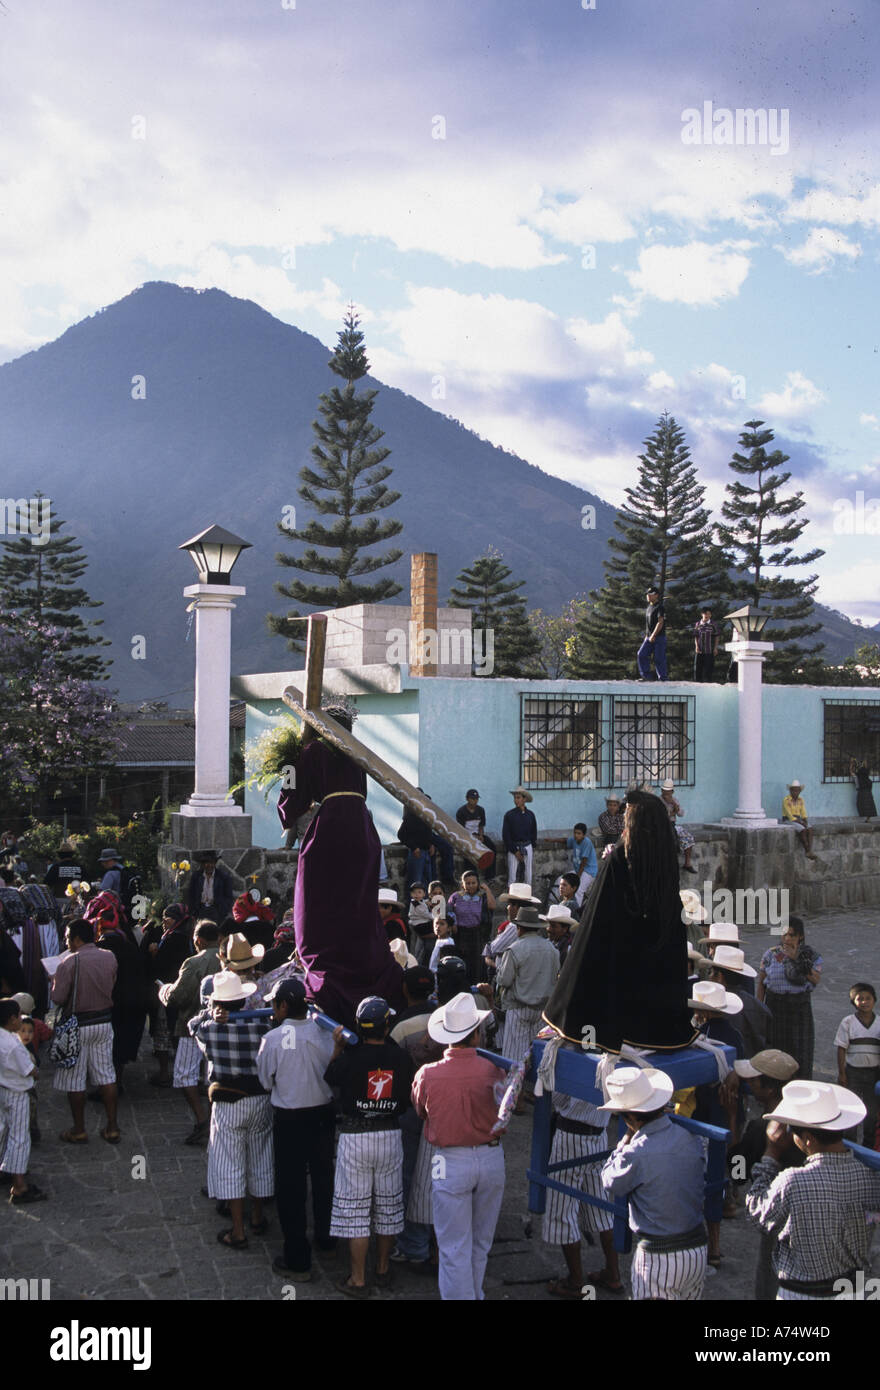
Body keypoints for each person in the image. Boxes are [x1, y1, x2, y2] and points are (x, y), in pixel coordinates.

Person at [278, 705, 404, 1028]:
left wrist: (288, 764)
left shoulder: (314, 751)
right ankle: (361, 955)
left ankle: (326, 957)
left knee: (319, 898)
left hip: (331, 829)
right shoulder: (357, 753)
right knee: (357, 901)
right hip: (363, 832)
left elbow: (292, 799)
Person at [544, 790, 695, 1052]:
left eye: (628, 815)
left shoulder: (619, 859)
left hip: (621, 956)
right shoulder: (666, 861)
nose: (625, 821)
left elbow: (597, 920)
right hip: (656, 966)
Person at [411, 991, 507, 1301]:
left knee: (453, 1247)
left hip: (450, 1161)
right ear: (476, 1034)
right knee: (480, 1243)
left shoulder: (428, 1074)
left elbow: (422, 1112)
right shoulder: (495, 1070)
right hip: (491, 1157)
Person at [746, 1078, 880, 1300]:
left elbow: (757, 1213)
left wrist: (770, 1154)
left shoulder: (792, 1182)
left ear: (807, 1139)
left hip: (801, 1293)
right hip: (852, 1291)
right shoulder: (870, 1179)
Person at [324, 995, 414, 1297]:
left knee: (356, 1211)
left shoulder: (351, 1057)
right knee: (388, 1205)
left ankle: (358, 1279)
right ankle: (383, 1268)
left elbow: (330, 1078)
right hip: (389, 1134)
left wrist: (337, 1048)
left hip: (354, 1136)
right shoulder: (400, 1058)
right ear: (386, 1026)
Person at [600, 1065, 707, 1300]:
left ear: (630, 1117)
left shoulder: (636, 1153)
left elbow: (610, 1181)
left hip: (660, 1258)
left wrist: (624, 1143)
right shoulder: (690, 1138)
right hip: (698, 1250)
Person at [256, 977, 337, 1281]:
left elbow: (265, 1081)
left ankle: (298, 1259)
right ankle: (327, 1241)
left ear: (283, 1005)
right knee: (323, 1178)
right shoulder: (324, 1033)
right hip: (322, 1115)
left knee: (291, 1188)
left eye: (275, 1005)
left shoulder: (273, 1040)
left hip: (290, 1119)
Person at [189, 969, 274, 1250]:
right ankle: (258, 1217)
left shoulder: (210, 1028)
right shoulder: (262, 1026)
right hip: (259, 1098)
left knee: (230, 1163)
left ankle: (238, 1230)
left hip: (227, 1101)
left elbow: (193, 1025)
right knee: (260, 1157)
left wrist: (210, 1014)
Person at [543, 1043, 620, 1298]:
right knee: (601, 1208)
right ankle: (613, 1273)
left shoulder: (575, 1058)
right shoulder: (614, 1057)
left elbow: (558, 1098)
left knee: (562, 1209)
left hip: (570, 1136)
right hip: (599, 1136)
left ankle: (576, 1281)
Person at [728, 1049, 801, 1300]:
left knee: (770, 1282)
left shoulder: (760, 1129)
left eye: (754, 1080)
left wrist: (732, 1117)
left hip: (776, 1216)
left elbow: (737, 1173)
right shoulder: (804, 1121)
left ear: (769, 1089)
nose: (749, 1082)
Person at [51, 917, 120, 1144]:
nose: (66, 942)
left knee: (75, 1079)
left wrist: (54, 980)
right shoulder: (109, 957)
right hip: (103, 1021)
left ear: (77, 939)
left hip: (78, 1026)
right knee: (106, 1075)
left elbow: (58, 998)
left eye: (68, 938)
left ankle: (79, 1129)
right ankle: (112, 1127)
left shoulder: (69, 963)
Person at [162, 920, 222, 1146]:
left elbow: (179, 997)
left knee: (184, 1075)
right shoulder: (229, 960)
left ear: (199, 940)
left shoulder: (194, 962)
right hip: (221, 1028)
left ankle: (202, 1120)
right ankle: (213, 1120)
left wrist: (165, 991)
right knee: (213, 1076)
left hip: (192, 1027)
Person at [87, 891, 146, 1091]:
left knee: (104, 1046)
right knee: (120, 1043)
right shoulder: (128, 942)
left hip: (106, 1003)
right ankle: (117, 1080)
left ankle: (105, 1084)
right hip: (130, 1000)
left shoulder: (96, 948)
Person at [757, 918, 822, 1080]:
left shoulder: (810, 955)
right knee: (775, 1050)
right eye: (784, 934)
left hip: (799, 1007)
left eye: (792, 935)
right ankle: (775, 1090)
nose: (787, 939)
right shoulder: (771, 954)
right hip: (775, 1006)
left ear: (800, 936)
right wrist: (759, 1007)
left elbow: (815, 979)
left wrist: (796, 959)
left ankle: (800, 1087)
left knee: (801, 1050)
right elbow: (762, 983)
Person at [495, 904, 560, 1065]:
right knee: (537, 1055)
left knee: (514, 1057)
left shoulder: (515, 949)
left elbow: (504, 980)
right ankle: (534, 1089)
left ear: (519, 928)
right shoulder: (552, 950)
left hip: (519, 1007)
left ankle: (516, 1088)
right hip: (542, 1009)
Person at [141, 902, 194, 1087]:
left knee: (163, 1033)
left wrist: (154, 955)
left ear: (178, 920)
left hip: (168, 994)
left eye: (168, 917)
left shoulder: (173, 940)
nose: (164, 921)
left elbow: (161, 967)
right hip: (182, 994)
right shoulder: (184, 937)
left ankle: (165, 1073)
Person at [0, 997, 45, 1204]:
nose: (21, 1019)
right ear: (11, 1019)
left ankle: (4, 1167)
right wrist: (37, 1071)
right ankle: (19, 1186)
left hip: (2, 1090)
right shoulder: (13, 1045)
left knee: (3, 1130)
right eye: (18, 1015)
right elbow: (31, 1071)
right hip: (17, 1093)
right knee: (19, 1137)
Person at [835, 982, 880, 1148]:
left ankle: (868, 1148)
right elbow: (841, 1049)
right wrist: (842, 1073)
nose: (864, 1002)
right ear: (853, 1001)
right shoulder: (848, 1022)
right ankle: (849, 1147)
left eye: (868, 998)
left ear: (874, 1000)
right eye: (859, 999)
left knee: (871, 1114)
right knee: (851, 1110)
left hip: (874, 1074)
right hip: (853, 1072)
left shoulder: (879, 1023)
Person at [705, 946, 770, 1056]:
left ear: (720, 977)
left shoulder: (715, 1010)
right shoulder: (761, 1008)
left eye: (711, 973)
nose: (709, 977)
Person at [447, 870, 496, 985]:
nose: (471, 885)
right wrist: (453, 924)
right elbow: (449, 912)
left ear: (478, 883)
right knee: (462, 962)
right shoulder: (455, 897)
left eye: (473, 883)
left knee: (477, 965)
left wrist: (487, 890)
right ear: (463, 884)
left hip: (477, 934)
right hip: (460, 934)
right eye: (467, 883)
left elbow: (492, 906)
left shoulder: (482, 896)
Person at [187, 850, 235, 925]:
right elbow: (191, 896)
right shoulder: (196, 877)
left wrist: (223, 910)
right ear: (203, 864)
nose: (209, 865)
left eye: (211, 862)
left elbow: (229, 897)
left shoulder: (223, 877)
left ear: (215, 863)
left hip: (216, 910)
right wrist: (192, 913)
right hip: (200, 910)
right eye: (206, 863)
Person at [502, 786, 538, 887]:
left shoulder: (530, 815)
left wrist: (531, 846)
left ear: (524, 799)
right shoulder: (509, 815)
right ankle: (512, 900)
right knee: (512, 877)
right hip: (514, 846)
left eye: (518, 798)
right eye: (515, 798)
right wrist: (515, 851)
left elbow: (533, 832)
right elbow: (506, 835)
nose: (516, 800)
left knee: (528, 875)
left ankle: (527, 900)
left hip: (527, 846)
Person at [659, 780, 696, 874]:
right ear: (662, 790)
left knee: (688, 837)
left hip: (673, 824)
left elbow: (681, 814)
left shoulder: (674, 800)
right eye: (664, 791)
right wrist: (672, 813)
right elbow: (662, 816)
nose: (666, 793)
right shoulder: (658, 801)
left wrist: (675, 805)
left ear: (672, 792)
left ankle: (687, 864)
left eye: (668, 791)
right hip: (662, 826)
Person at [397, 805, 436, 891]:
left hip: (426, 852)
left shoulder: (426, 817)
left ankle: (425, 903)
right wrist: (414, 847)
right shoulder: (411, 817)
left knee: (427, 881)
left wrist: (430, 844)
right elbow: (401, 835)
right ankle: (414, 903)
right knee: (415, 882)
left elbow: (427, 834)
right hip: (417, 854)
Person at [455, 788, 495, 872]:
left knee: (491, 847)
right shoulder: (461, 811)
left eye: (476, 799)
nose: (475, 801)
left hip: (478, 835)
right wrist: (471, 837)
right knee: (469, 854)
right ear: (467, 799)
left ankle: (490, 875)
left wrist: (480, 835)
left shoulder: (480, 810)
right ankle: (471, 874)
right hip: (467, 837)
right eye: (472, 799)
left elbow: (481, 825)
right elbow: (461, 830)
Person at [637, 585, 667, 682]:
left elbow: (660, 622)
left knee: (659, 659)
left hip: (659, 637)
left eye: (651, 594)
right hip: (649, 637)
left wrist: (654, 635)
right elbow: (648, 623)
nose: (648, 596)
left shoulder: (660, 607)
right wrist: (647, 635)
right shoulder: (649, 607)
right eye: (647, 594)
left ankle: (663, 679)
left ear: (656, 595)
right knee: (641, 654)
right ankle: (646, 676)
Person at [781, 780, 817, 860]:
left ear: (799, 791)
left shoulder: (801, 800)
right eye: (794, 790)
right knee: (803, 830)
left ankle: (810, 850)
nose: (796, 792)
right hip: (788, 820)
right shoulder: (786, 800)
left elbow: (803, 812)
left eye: (797, 791)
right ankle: (807, 850)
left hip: (798, 819)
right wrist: (800, 822)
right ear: (791, 791)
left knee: (810, 829)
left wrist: (805, 820)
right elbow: (789, 815)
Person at [566, 824, 598, 903]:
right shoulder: (574, 840)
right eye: (575, 833)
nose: (576, 835)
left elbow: (584, 862)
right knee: (562, 881)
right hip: (578, 870)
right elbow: (565, 840)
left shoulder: (587, 842)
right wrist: (551, 840)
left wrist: (578, 878)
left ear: (584, 835)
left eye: (579, 833)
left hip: (589, 871)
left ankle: (576, 912)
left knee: (578, 890)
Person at [541, 903, 578, 968]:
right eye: (548, 925)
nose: (548, 929)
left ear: (565, 929)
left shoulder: (568, 949)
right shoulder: (547, 943)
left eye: (553, 926)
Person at [407, 882, 434, 967]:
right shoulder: (416, 904)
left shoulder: (420, 901)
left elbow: (423, 902)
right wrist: (436, 918)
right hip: (420, 925)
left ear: (424, 894)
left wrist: (427, 902)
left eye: (419, 892)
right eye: (414, 892)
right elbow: (426, 914)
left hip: (420, 923)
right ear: (411, 894)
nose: (416, 894)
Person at [693, 604, 719, 682]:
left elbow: (717, 636)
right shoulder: (697, 624)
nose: (707, 615)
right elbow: (696, 636)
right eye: (705, 613)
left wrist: (715, 648)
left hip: (709, 650)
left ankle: (708, 683)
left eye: (709, 614)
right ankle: (697, 682)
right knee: (698, 668)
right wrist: (696, 646)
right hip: (700, 650)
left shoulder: (713, 624)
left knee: (709, 668)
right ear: (702, 614)